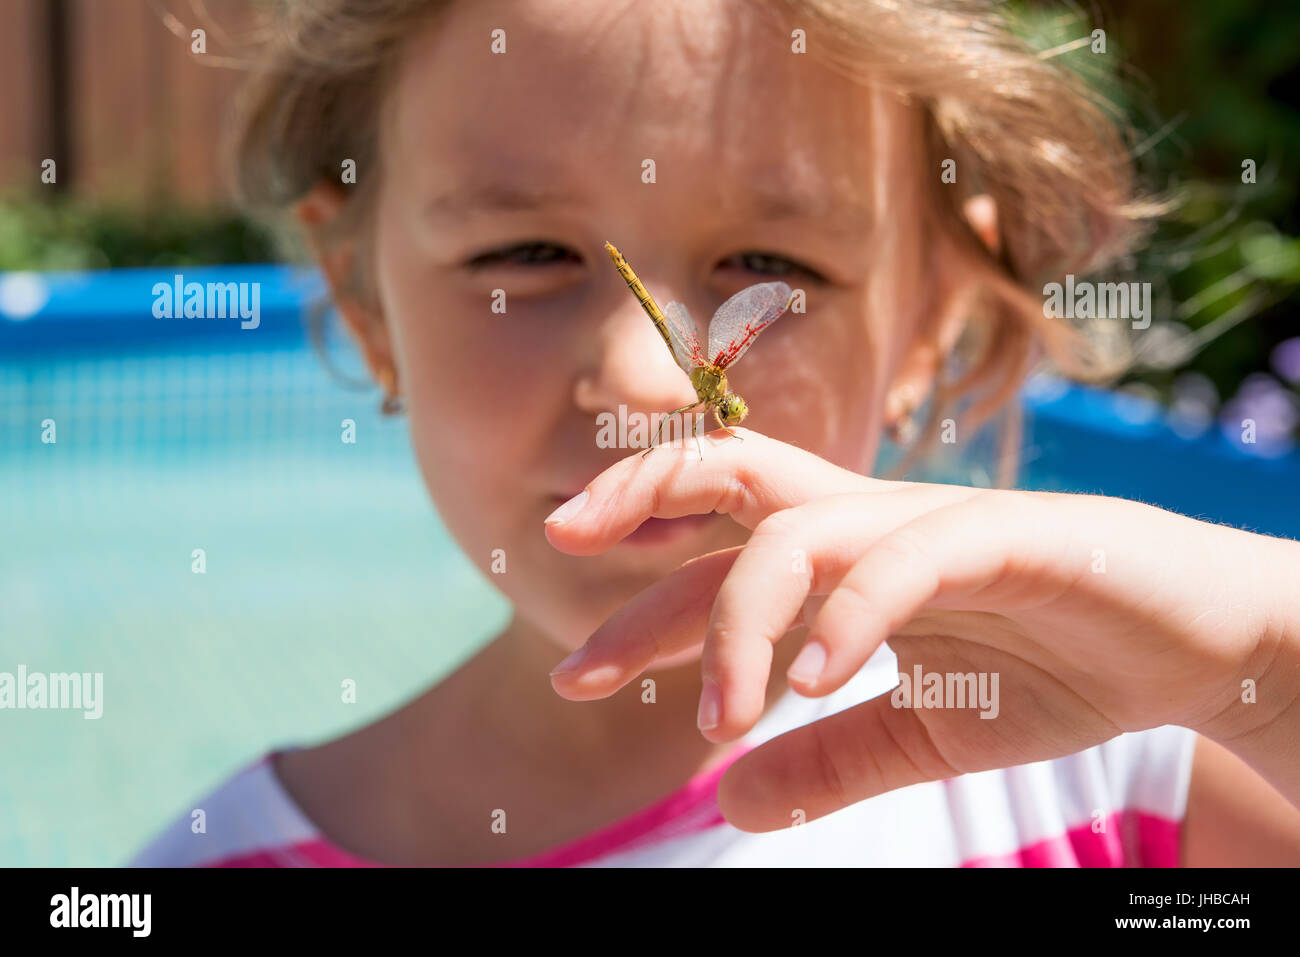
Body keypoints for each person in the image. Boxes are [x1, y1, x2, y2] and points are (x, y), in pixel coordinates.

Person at [131, 0, 1300, 866]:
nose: (644, 387)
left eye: (775, 266)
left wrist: (1258, 668)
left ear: (931, 327)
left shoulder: (1125, 757)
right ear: (363, 307)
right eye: (519, 258)